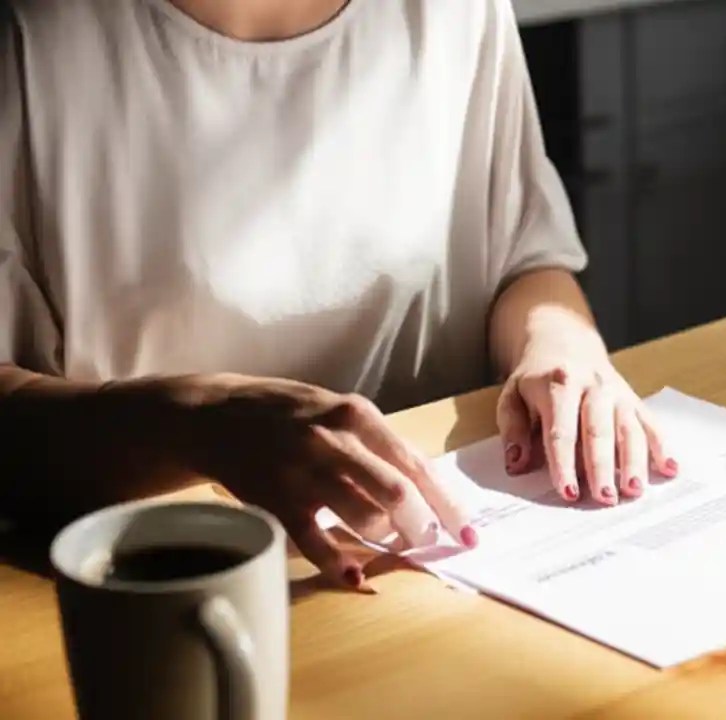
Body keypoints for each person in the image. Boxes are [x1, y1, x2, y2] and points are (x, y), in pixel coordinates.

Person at [0, 0, 677, 590]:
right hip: (161, 585)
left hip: (442, 568)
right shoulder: (34, 38)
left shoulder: (455, 12)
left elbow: (524, 260)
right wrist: (194, 423)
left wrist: (562, 345)